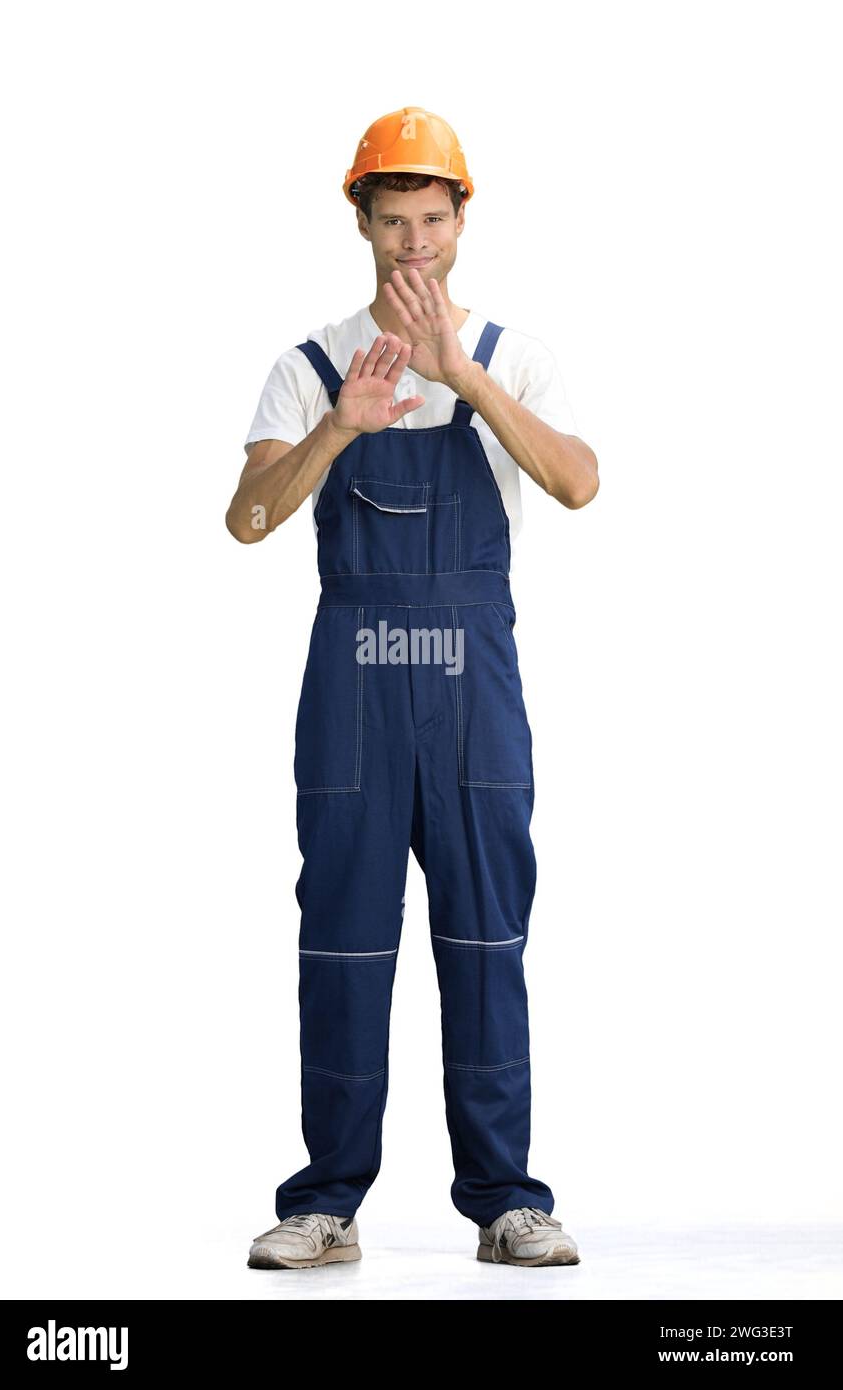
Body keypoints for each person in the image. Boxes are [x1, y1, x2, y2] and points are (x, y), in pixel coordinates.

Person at [227, 107, 599, 1270]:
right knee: (342, 941)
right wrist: (338, 430)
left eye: (431, 218)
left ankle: (506, 1201)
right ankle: (324, 1204)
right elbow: (247, 520)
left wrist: (460, 379)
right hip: (352, 696)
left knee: (485, 938)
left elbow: (578, 484)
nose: (413, 243)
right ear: (362, 224)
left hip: (471, 694)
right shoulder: (310, 367)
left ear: (460, 218)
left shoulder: (511, 358)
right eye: (392, 222)